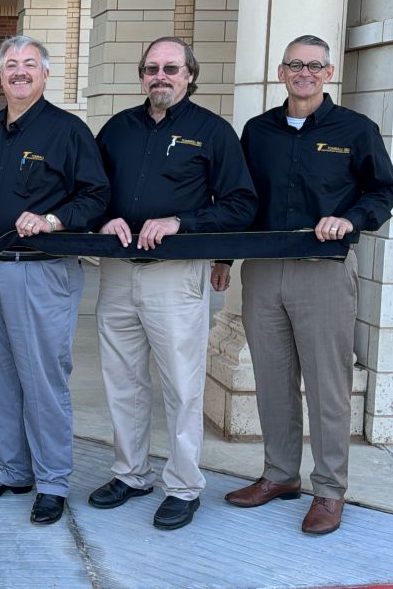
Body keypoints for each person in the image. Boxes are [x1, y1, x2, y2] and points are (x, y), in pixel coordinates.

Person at [218, 35, 393, 535]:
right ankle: (279, 475)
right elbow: (241, 198)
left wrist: (350, 219)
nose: (304, 72)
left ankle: (329, 490)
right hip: (263, 269)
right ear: (282, 72)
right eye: (295, 64)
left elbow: (385, 188)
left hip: (322, 270)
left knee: (327, 386)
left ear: (328, 73)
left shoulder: (355, 130)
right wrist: (224, 255)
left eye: (314, 66)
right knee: (273, 381)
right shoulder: (258, 131)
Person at [88, 36, 256, 531]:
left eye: (171, 68)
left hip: (176, 275)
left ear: (189, 75)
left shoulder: (212, 132)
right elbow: (92, 190)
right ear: (142, 75)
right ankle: (131, 473)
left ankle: (183, 485)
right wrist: (101, 220)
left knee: (182, 386)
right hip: (117, 272)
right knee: (123, 381)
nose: (160, 76)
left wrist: (184, 222)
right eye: (152, 68)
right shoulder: (117, 129)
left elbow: (241, 203)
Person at [0, 35, 109, 525]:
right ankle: (12, 470)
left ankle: (52, 482)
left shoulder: (67, 131)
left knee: (42, 380)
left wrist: (53, 220)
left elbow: (96, 197)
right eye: (10, 66)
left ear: (45, 75)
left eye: (28, 65)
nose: (18, 72)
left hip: (39, 272)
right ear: (0, 76)